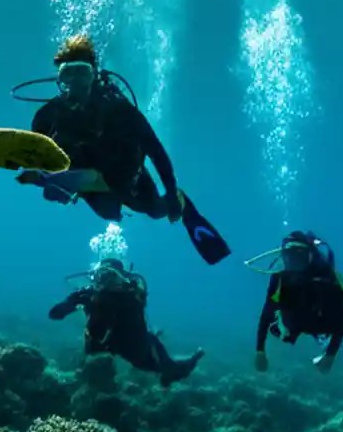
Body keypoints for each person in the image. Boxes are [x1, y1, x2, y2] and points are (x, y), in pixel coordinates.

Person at [13, 34, 231, 266]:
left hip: (127, 179)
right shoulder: (48, 115)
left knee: (158, 211)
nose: (75, 82)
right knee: (104, 212)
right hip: (92, 184)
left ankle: (182, 201)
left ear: (94, 74)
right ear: (60, 77)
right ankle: (77, 183)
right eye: (68, 73)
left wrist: (170, 190)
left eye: (82, 72)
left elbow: (155, 150)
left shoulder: (119, 109)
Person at [253, 230, 343, 374]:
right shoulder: (279, 278)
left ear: (309, 255)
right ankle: (317, 336)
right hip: (298, 316)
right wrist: (260, 350)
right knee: (280, 330)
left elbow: (340, 319)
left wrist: (330, 355)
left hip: (322, 316)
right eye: (289, 256)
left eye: (299, 256)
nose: (294, 262)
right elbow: (267, 312)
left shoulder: (326, 278)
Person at [49, 258, 205, 387]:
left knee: (153, 356)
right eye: (102, 276)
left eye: (111, 276)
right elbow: (55, 314)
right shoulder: (88, 294)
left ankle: (175, 369)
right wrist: (71, 302)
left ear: (121, 277)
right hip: (99, 342)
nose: (106, 281)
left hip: (129, 342)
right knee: (94, 372)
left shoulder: (130, 294)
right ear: (95, 276)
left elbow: (139, 318)